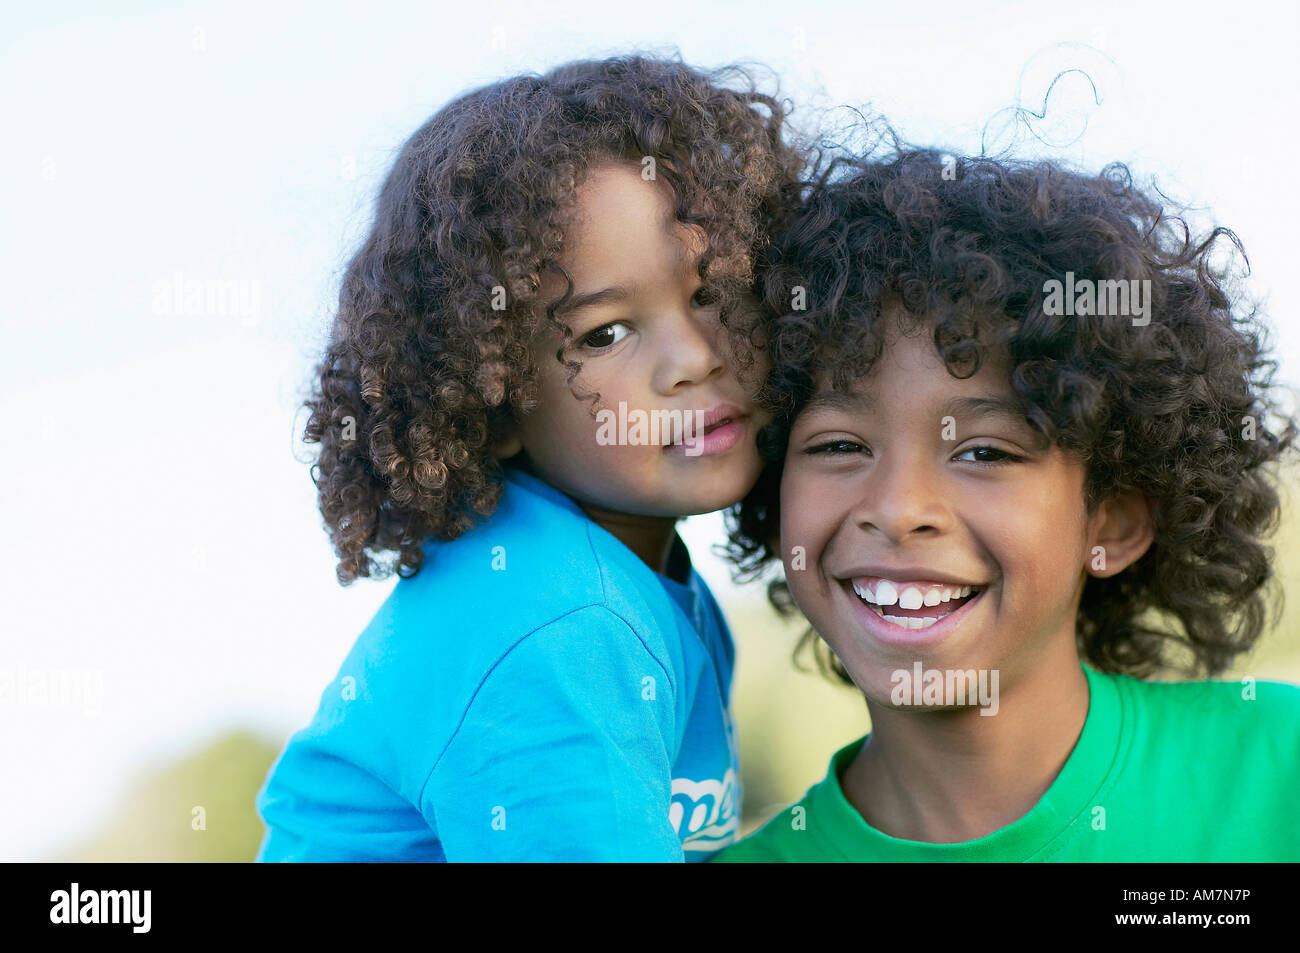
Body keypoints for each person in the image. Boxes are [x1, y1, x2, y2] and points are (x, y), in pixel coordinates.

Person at [254, 54, 808, 861]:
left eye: (712, 294)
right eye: (605, 333)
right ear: (497, 397)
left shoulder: (640, 585)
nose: (691, 356)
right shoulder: (560, 624)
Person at [715, 146, 1300, 861]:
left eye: (985, 452)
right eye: (839, 445)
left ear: (1113, 521)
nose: (899, 509)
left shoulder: (1275, 772)